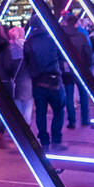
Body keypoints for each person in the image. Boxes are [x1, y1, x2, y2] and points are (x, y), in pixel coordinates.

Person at [23, 21, 66, 149]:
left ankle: (44, 141)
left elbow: (26, 62)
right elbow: (61, 56)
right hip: (53, 79)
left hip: (37, 81)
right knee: (58, 111)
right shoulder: (52, 39)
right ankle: (56, 140)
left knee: (40, 112)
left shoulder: (28, 42)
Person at [59, 14, 91, 130]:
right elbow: (87, 52)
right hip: (81, 68)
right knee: (83, 93)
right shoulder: (81, 36)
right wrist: (88, 66)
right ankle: (85, 118)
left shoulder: (62, 37)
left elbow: (59, 53)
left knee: (69, 94)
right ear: (76, 23)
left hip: (66, 68)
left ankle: (71, 121)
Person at [8, 25, 32, 122]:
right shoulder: (28, 46)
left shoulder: (9, 49)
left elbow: (8, 67)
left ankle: (21, 127)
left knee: (18, 107)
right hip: (27, 81)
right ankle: (27, 126)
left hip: (15, 82)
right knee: (28, 105)